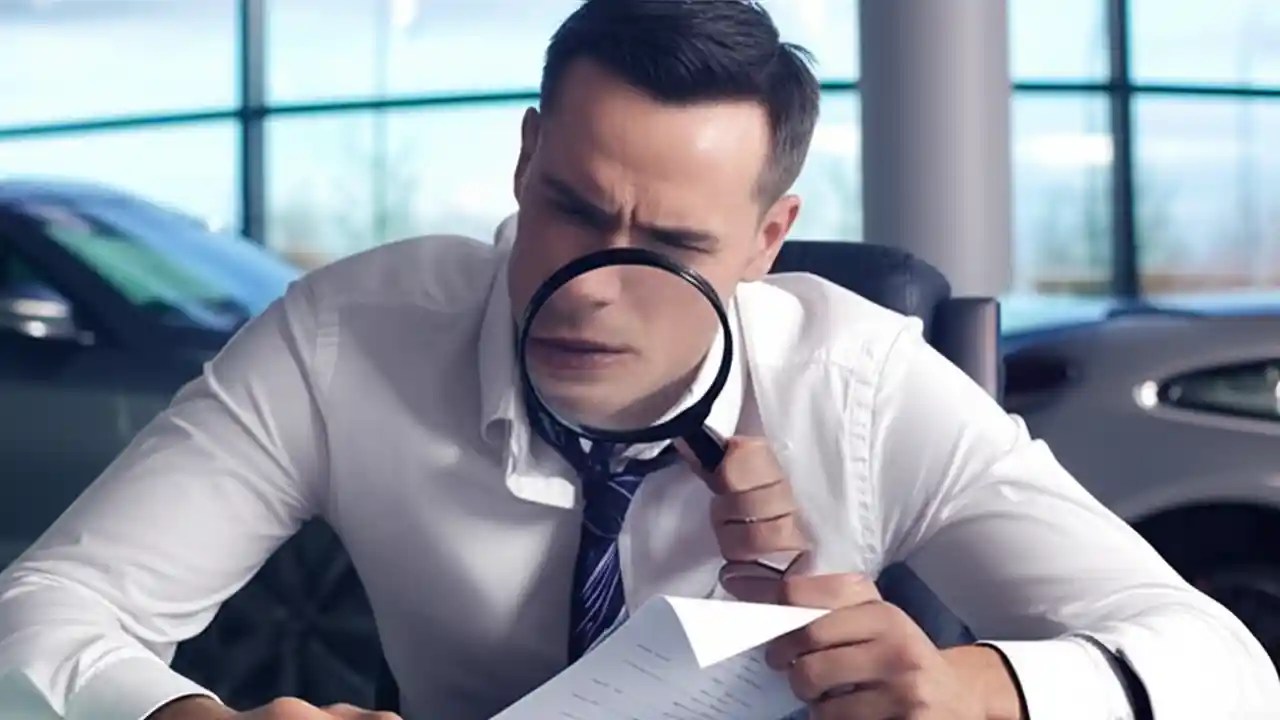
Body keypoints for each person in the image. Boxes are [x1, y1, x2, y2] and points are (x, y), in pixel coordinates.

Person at [0, 1, 1276, 719]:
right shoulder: (348, 337)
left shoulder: (861, 377)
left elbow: (1224, 667)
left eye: (669, 243)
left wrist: (984, 690)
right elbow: (41, 616)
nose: (596, 288)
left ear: (769, 241)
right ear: (520, 158)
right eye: (566, 208)